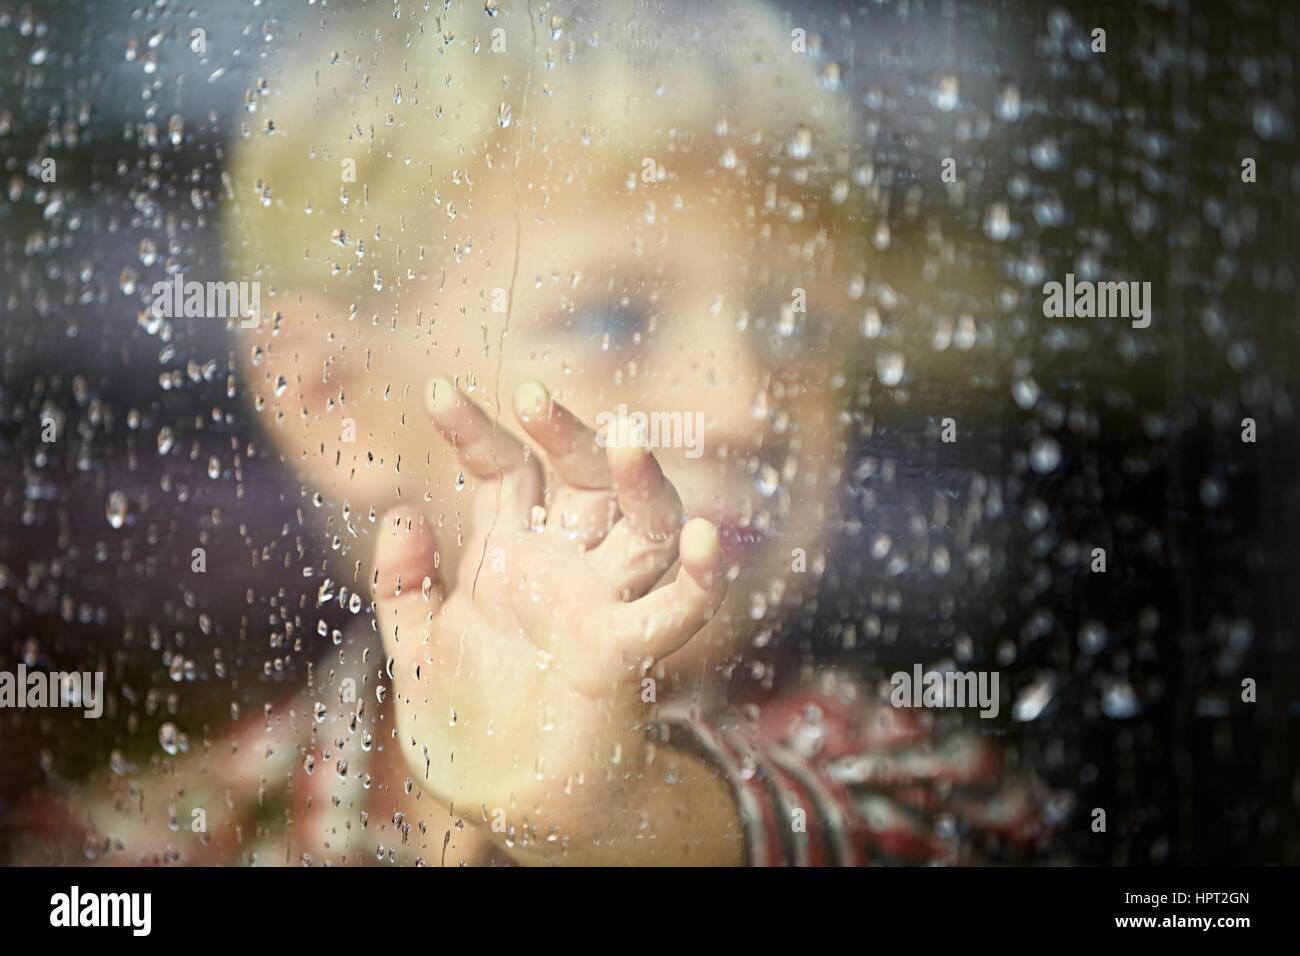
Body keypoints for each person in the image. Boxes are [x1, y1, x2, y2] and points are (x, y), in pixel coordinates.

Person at [15, 0, 1048, 866]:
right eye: (615, 319)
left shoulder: (913, 781)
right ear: (334, 395)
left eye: (798, 328)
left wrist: (620, 807)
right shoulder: (130, 850)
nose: (744, 406)